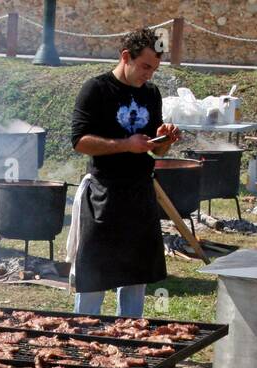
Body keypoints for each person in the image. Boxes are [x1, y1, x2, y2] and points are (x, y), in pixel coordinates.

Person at [68, 27, 180, 317]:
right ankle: (84, 331)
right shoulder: (96, 89)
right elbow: (79, 141)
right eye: (144, 66)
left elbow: (155, 151)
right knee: (94, 271)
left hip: (140, 191)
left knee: (135, 272)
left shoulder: (151, 94)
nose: (149, 75)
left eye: (154, 69)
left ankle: (131, 333)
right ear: (126, 57)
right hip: (104, 191)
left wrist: (163, 140)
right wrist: (125, 144)